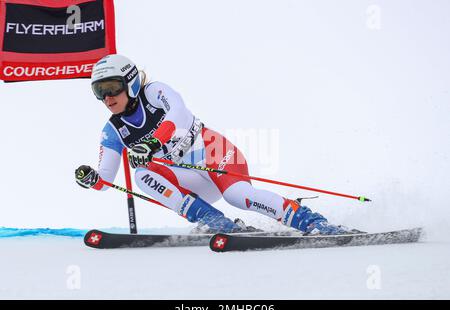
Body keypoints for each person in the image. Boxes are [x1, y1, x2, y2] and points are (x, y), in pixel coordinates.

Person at [75, 54, 355, 235]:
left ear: (131, 83)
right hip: (188, 177)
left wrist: (151, 143)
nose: (107, 98)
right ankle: (217, 224)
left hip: (211, 151)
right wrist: (92, 179)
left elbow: (178, 117)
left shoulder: (156, 91)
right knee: (142, 175)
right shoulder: (112, 131)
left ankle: (315, 223)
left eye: (111, 87)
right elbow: (107, 179)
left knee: (239, 196)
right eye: (99, 91)